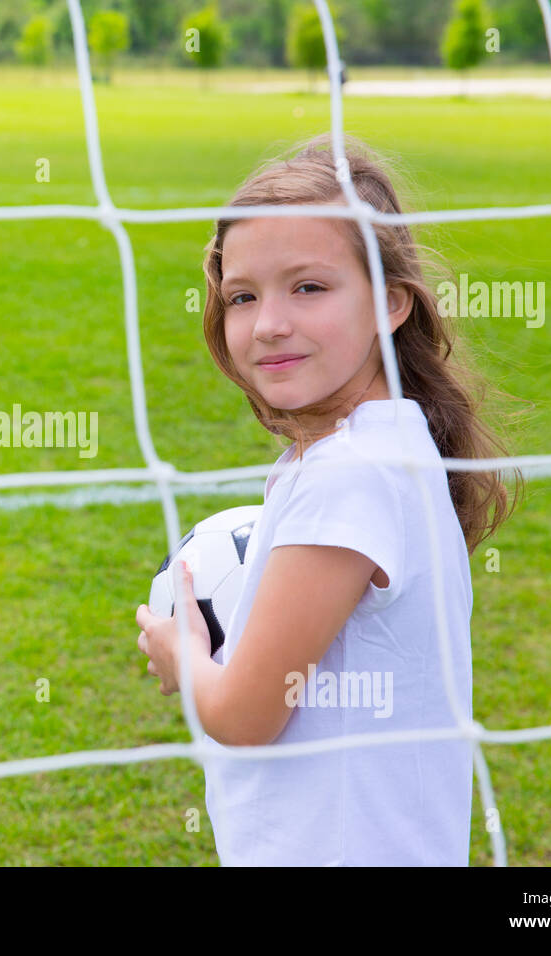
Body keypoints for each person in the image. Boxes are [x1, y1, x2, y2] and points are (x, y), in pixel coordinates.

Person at [135, 134, 523, 865]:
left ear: (391, 303)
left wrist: (182, 654)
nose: (269, 322)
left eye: (308, 287)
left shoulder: (349, 475)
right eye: (243, 296)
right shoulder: (383, 447)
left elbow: (247, 713)